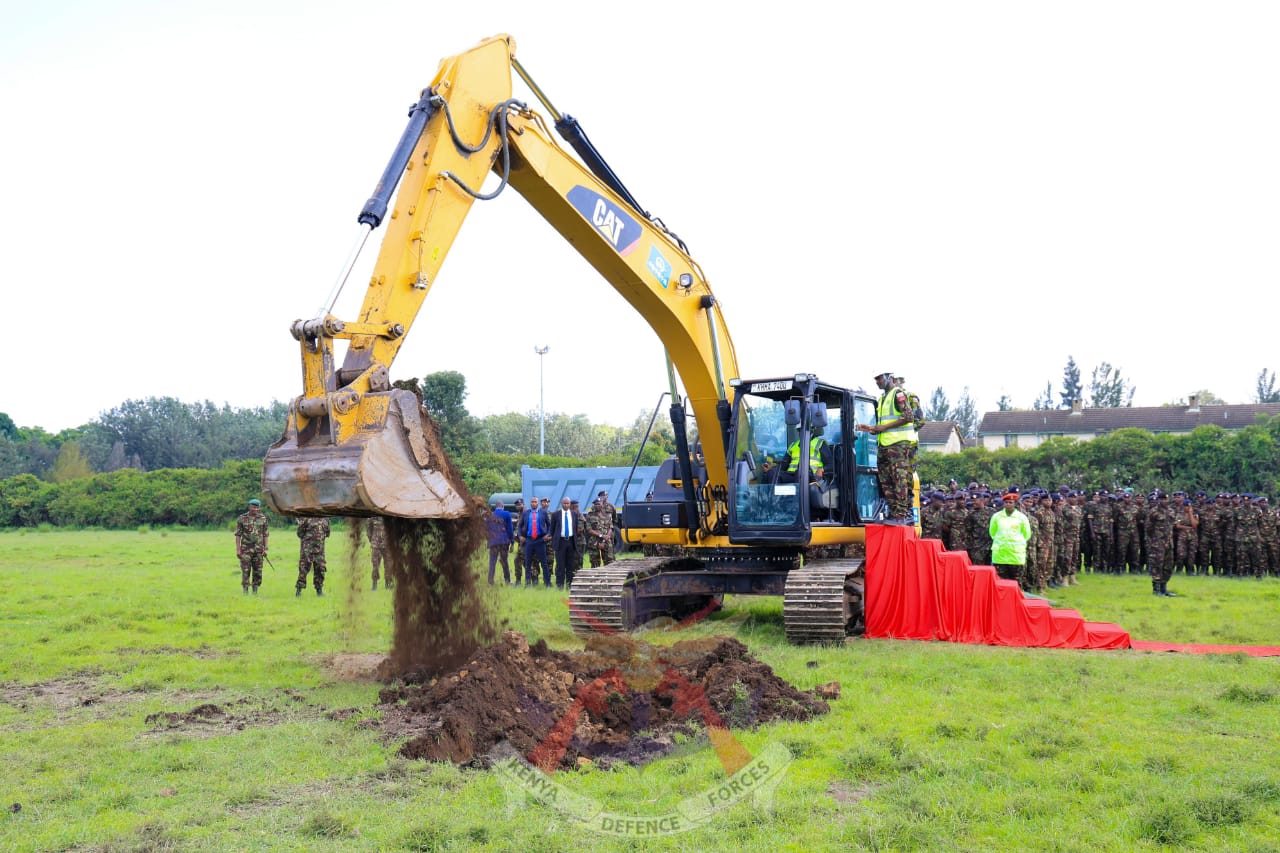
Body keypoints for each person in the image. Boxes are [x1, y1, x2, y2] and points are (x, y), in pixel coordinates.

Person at [859, 371, 916, 524]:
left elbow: (909, 416)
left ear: (889, 377)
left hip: (898, 445)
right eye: (875, 379)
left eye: (879, 378)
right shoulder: (883, 398)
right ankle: (894, 513)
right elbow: (884, 425)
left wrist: (883, 428)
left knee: (899, 479)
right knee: (886, 480)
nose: (877, 381)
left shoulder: (898, 394)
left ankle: (902, 514)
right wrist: (871, 428)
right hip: (884, 445)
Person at [989, 493, 1032, 585]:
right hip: (1000, 555)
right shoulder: (996, 517)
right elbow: (992, 533)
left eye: (1010, 502)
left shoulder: (1021, 517)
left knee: (1016, 583)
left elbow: (1026, 534)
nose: (1008, 504)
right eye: (1006, 502)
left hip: (1016, 556)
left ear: (1015, 503)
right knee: (1001, 582)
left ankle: (1016, 600)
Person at [235, 499, 270, 595]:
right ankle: (245, 591)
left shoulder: (263, 518)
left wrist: (266, 548)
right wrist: (238, 549)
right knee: (245, 571)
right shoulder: (242, 518)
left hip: (259, 550)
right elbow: (238, 535)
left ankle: (255, 591)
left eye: (257, 507)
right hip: (246, 550)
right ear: (249, 506)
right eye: (254, 507)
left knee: (258, 571)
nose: (256, 509)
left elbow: (265, 534)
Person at [518, 497, 551, 587]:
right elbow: (520, 526)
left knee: (544, 563)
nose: (533, 503)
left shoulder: (543, 513)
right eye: (532, 502)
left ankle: (547, 583)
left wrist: (547, 535)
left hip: (540, 540)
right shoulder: (525, 513)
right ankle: (528, 584)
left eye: (535, 502)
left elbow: (550, 525)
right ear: (530, 503)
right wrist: (520, 536)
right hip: (529, 540)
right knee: (527, 562)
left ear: (538, 503)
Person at [295, 516, 330, 597]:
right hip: (307, 550)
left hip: (320, 551)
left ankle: (319, 590)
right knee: (303, 570)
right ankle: (299, 590)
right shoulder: (306, 518)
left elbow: (327, 533)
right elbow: (299, 533)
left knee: (320, 570)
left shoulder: (326, 519)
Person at [551, 497, 581, 588]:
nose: (566, 505)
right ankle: (559, 585)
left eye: (568, 503)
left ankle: (569, 584)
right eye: (564, 503)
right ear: (561, 503)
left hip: (571, 542)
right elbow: (552, 530)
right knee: (560, 565)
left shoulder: (574, 514)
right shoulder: (556, 515)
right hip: (561, 542)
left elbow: (575, 528)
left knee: (570, 565)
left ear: (570, 504)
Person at [486, 500, 515, 585]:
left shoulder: (489, 515)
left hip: (493, 542)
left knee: (492, 562)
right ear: (503, 506)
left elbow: (485, 529)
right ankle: (507, 580)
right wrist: (512, 542)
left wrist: (489, 539)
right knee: (504, 561)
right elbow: (510, 529)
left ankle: (490, 582)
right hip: (503, 541)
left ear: (495, 507)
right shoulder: (507, 514)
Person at [587, 496, 616, 567]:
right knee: (595, 563)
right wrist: (601, 536)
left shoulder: (608, 515)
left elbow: (611, 528)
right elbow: (589, 530)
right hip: (594, 542)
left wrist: (605, 539)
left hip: (606, 541)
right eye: (596, 504)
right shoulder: (590, 515)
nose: (597, 506)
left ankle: (608, 577)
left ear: (602, 504)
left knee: (609, 562)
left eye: (599, 504)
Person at [368, 517, 390, 591]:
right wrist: (372, 541)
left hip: (387, 544)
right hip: (375, 545)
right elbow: (369, 530)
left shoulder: (389, 515)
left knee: (388, 565)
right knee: (375, 565)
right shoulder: (372, 517)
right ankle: (374, 585)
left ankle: (388, 584)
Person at [510, 498, 526, 583]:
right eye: (517, 505)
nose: (518, 506)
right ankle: (527, 580)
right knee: (523, 561)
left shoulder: (526, 513)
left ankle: (520, 581)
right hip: (521, 542)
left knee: (520, 561)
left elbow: (525, 528)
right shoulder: (520, 514)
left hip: (526, 542)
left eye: (520, 504)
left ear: (523, 504)